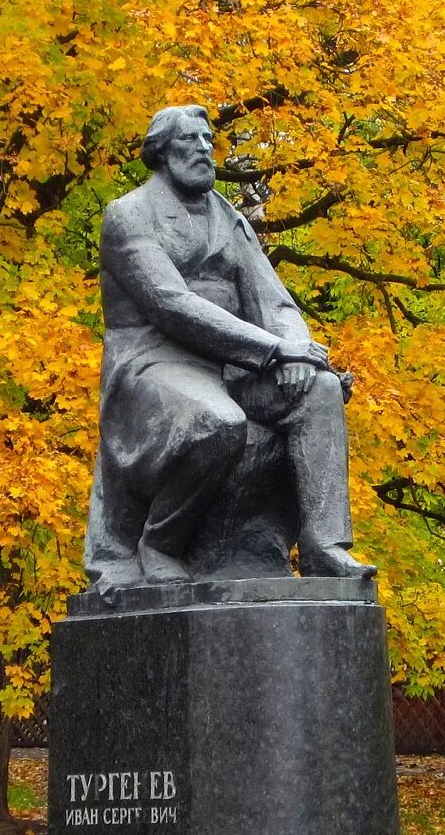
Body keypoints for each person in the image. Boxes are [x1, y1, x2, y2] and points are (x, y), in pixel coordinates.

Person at [84, 104, 373, 596]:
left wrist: (298, 349)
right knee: (218, 421)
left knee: (320, 390)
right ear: (160, 153)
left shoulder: (228, 217)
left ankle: (325, 547)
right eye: (188, 142)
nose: (203, 150)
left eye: (208, 140)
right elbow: (172, 305)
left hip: (232, 366)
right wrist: (273, 349)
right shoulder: (128, 215)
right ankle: (160, 542)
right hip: (153, 366)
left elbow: (273, 298)